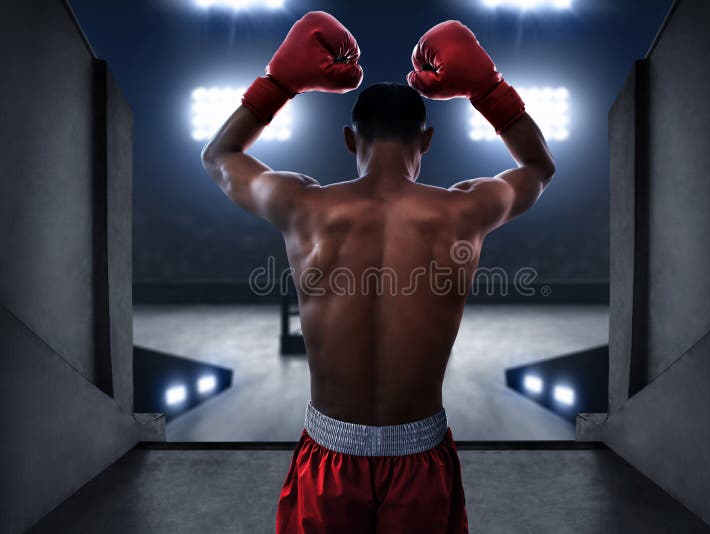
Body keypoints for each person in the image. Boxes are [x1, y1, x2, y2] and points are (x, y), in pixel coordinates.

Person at [201, 11, 555, 534]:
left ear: (350, 139)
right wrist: (488, 88)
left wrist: (280, 83)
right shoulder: (461, 213)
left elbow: (220, 155)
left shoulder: (306, 207)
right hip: (421, 455)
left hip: (329, 455)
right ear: (427, 140)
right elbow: (538, 167)